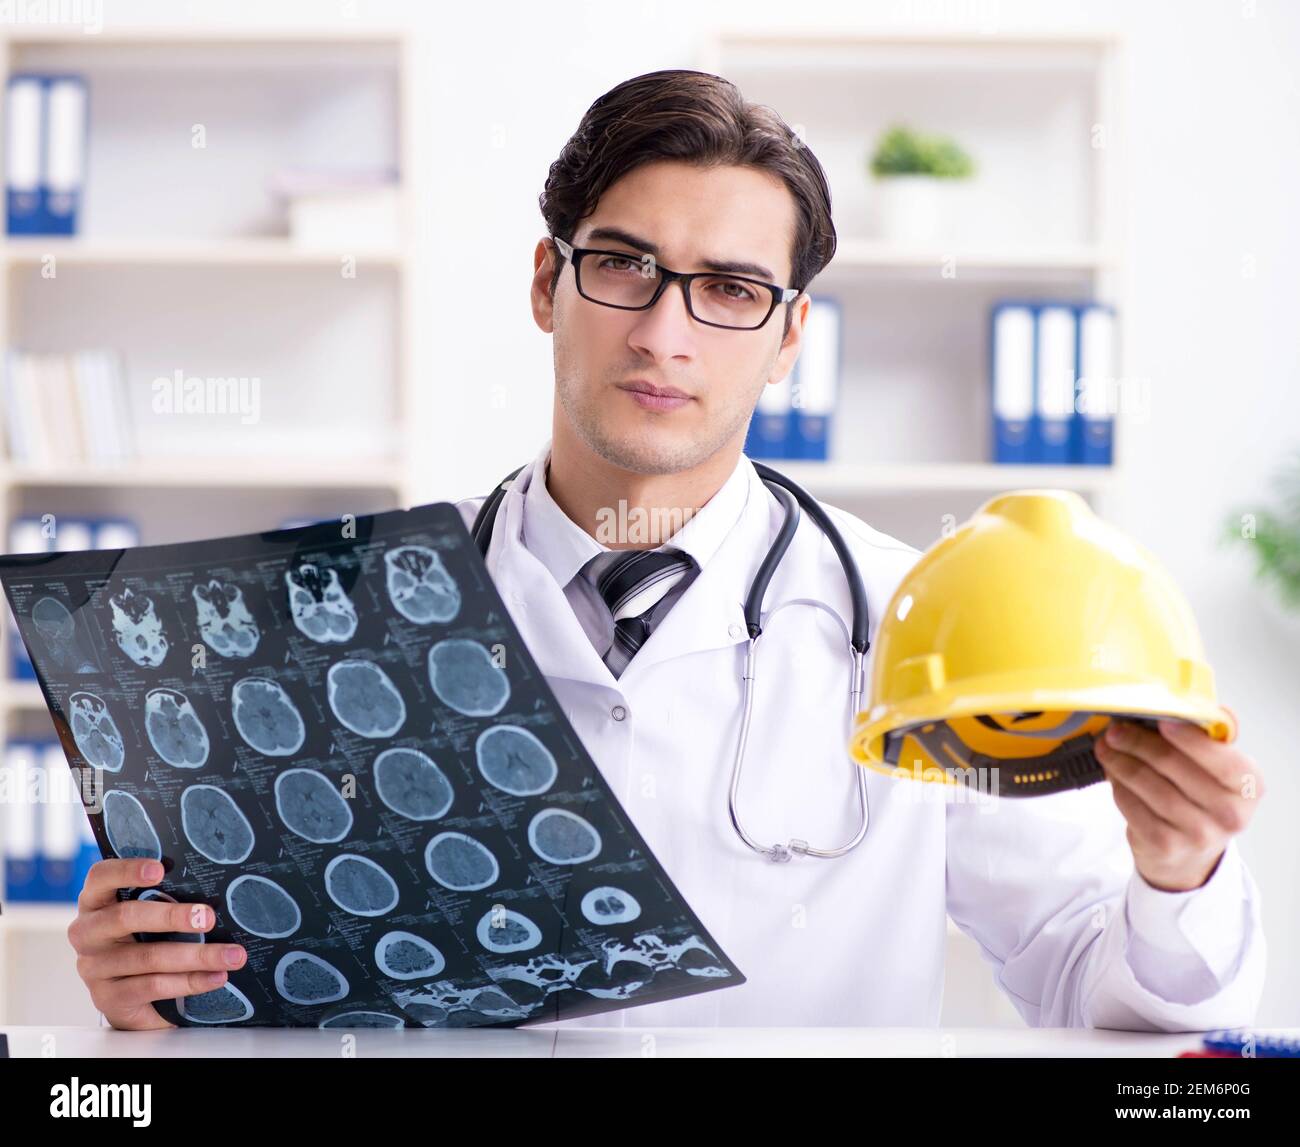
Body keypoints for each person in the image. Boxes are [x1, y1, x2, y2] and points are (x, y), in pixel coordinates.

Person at [70, 69, 1266, 1032]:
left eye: (732, 290)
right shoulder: (340, 619)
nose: (663, 331)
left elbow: (1090, 985)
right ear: (548, 281)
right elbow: (276, 1000)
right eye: (624, 264)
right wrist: (155, 993)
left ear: (791, 335)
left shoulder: (917, 616)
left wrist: (1178, 876)